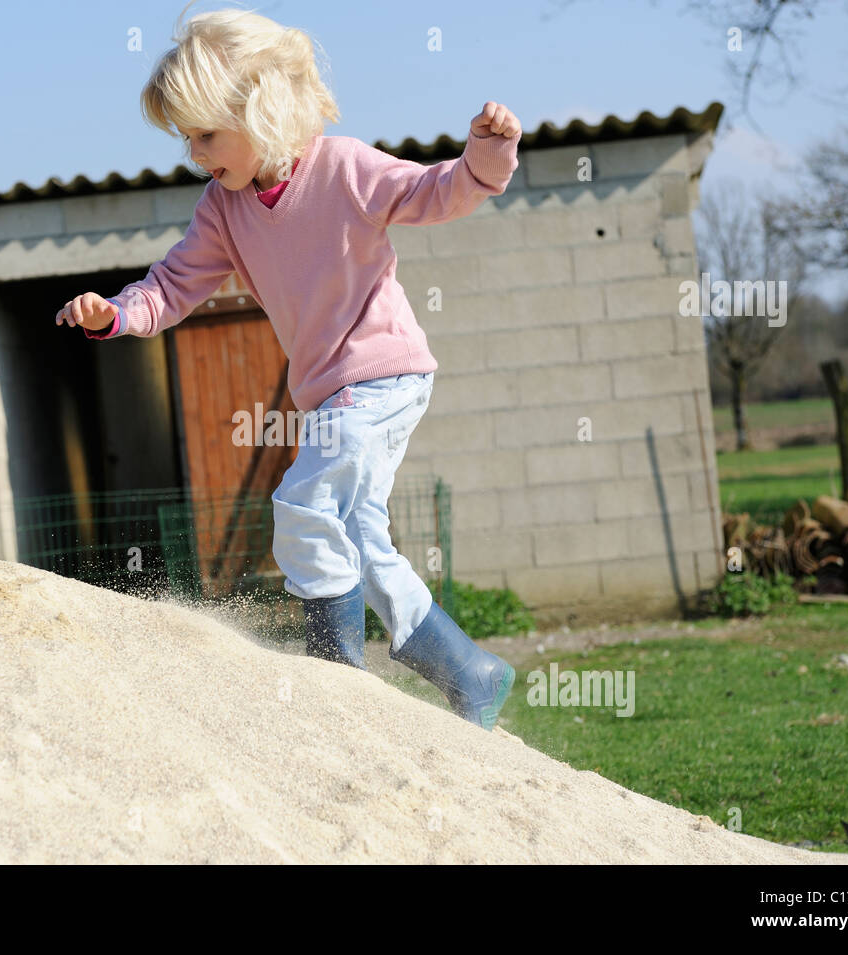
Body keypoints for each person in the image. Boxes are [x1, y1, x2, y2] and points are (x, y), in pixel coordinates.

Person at [56, 5, 522, 731]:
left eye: (206, 134)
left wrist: (485, 158)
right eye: (187, 139)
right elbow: (173, 285)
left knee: (303, 505)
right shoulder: (225, 208)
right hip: (333, 397)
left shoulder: (344, 168)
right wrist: (115, 313)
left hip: (383, 378)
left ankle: (336, 681)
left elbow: (436, 192)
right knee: (361, 542)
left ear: (258, 105)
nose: (196, 154)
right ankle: (470, 672)